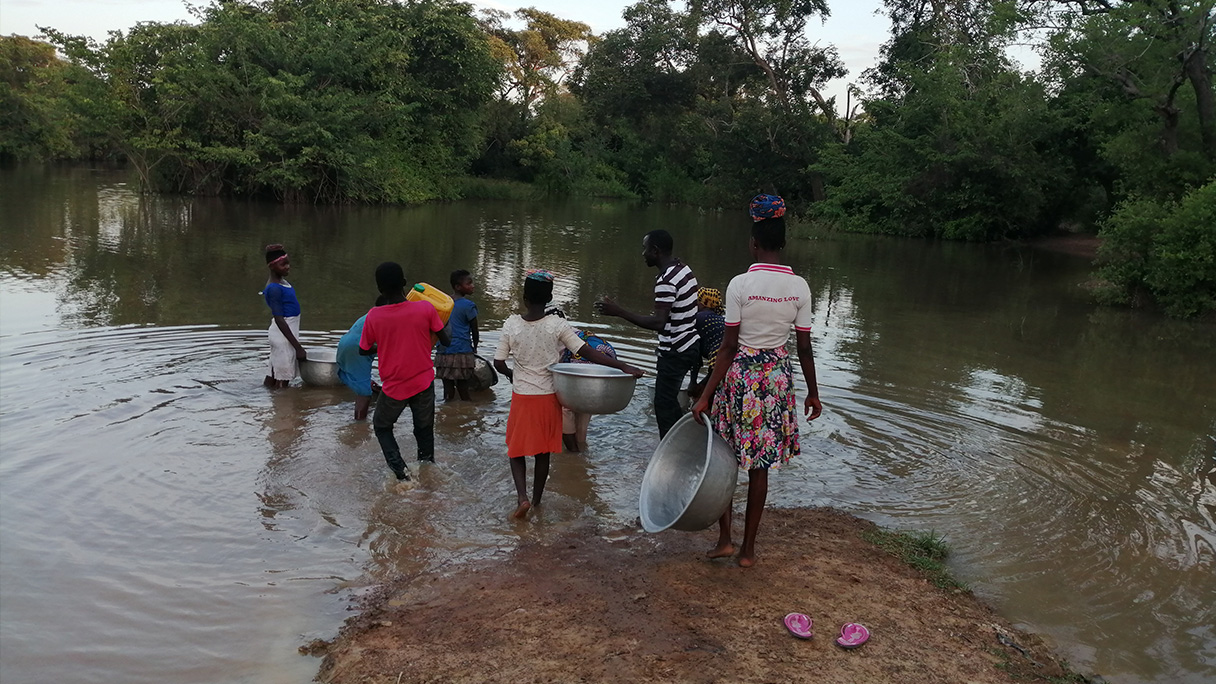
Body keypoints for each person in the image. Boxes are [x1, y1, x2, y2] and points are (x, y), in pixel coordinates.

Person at [690, 194, 823, 568]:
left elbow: (729, 347)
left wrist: (705, 395)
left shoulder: (739, 285)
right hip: (776, 380)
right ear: (783, 242)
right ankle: (748, 550)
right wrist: (813, 394)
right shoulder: (799, 287)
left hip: (740, 379)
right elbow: (805, 348)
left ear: (753, 242)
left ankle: (725, 540)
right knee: (760, 466)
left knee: (725, 459)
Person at [494, 270, 643, 519]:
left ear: (524, 298)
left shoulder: (511, 325)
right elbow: (587, 352)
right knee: (543, 453)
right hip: (548, 397)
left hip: (522, 397)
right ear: (550, 297)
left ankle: (522, 498)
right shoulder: (557, 325)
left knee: (516, 450)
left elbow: (498, 362)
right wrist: (623, 366)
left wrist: (512, 375)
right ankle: (538, 501)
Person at [595, 229, 699, 438]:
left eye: (645, 249)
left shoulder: (666, 281)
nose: (643, 253)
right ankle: (683, 443)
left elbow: (659, 322)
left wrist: (619, 312)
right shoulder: (682, 268)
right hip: (690, 345)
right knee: (669, 402)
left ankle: (673, 452)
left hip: (675, 351)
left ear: (656, 251)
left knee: (663, 404)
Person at [359, 262, 451, 483]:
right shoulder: (426, 309)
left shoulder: (374, 316)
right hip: (423, 382)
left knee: (382, 426)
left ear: (379, 288)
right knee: (424, 429)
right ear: (404, 283)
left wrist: (386, 343)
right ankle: (427, 471)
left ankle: (402, 475)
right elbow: (445, 340)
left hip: (394, 386)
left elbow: (363, 350)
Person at [557, 325, 618, 452]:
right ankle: (582, 445)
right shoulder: (572, 330)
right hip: (600, 369)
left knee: (566, 407)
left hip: (580, 365)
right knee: (584, 404)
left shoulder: (550, 335)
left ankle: (572, 453)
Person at [262, 243, 306, 388]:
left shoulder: (280, 282)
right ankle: (283, 406)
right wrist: (298, 347)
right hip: (283, 336)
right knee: (284, 378)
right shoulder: (274, 288)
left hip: (283, 334)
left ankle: (267, 396)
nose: (287, 267)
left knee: (274, 373)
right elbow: (280, 319)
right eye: (283, 265)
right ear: (271, 266)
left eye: (288, 263)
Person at [336, 295, 387, 420]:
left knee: (362, 381)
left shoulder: (371, 315)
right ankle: (359, 425)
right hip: (356, 348)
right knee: (364, 394)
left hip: (345, 344)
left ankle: (368, 387)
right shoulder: (386, 317)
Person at [435, 269, 480, 402]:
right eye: (469, 283)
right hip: (462, 351)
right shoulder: (469, 306)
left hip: (443, 351)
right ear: (458, 287)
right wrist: (475, 347)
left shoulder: (443, 303)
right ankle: (467, 413)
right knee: (463, 389)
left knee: (448, 391)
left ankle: (447, 414)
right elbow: (474, 330)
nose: (472, 285)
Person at [687, 287, 725, 403]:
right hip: (730, 365)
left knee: (703, 402)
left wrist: (693, 383)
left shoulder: (699, 318)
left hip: (718, 367)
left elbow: (695, 355)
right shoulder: (720, 320)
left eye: (696, 301)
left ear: (703, 304)